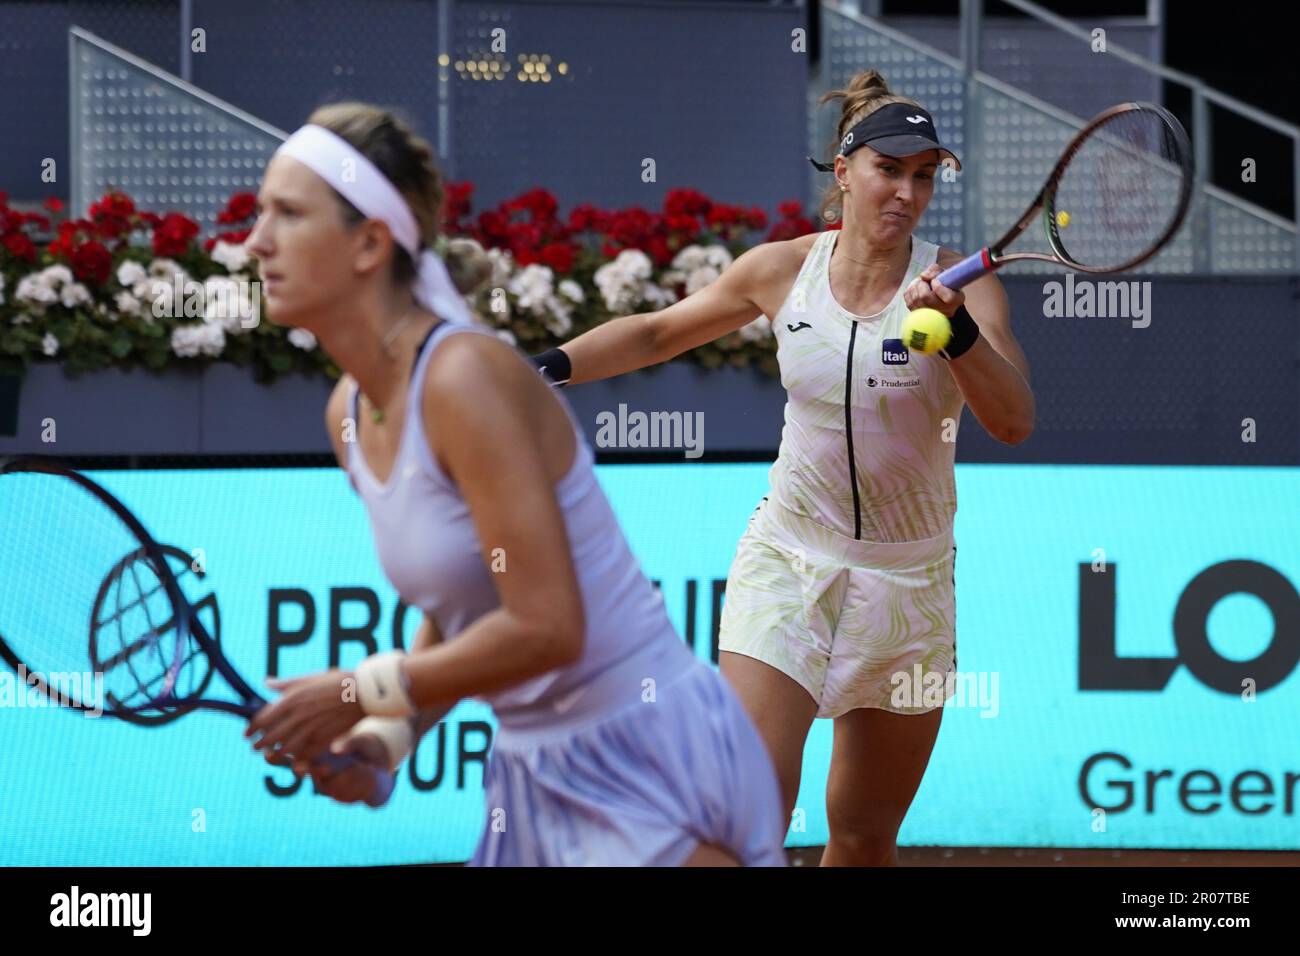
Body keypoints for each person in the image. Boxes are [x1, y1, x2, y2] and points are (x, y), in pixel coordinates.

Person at [240, 102, 786, 867]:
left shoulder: (466, 379)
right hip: (533, 776)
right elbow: (468, 607)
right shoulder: (350, 414)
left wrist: (360, 689)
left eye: (287, 214)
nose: (254, 241)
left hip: (646, 755)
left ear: (369, 244)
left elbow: (546, 625)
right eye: (260, 213)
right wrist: (382, 741)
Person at [529, 70, 1035, 866]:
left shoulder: (965, 288)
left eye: (924, 177)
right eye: (889, 170)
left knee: (865, 835)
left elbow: (1014, 421)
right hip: (788, 561)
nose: (906, 191)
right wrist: (543, 368)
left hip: (910, 584)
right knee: (745, 810)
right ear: (844, 171)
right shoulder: (780, 271)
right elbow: (658, 335)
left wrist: (960, 332)